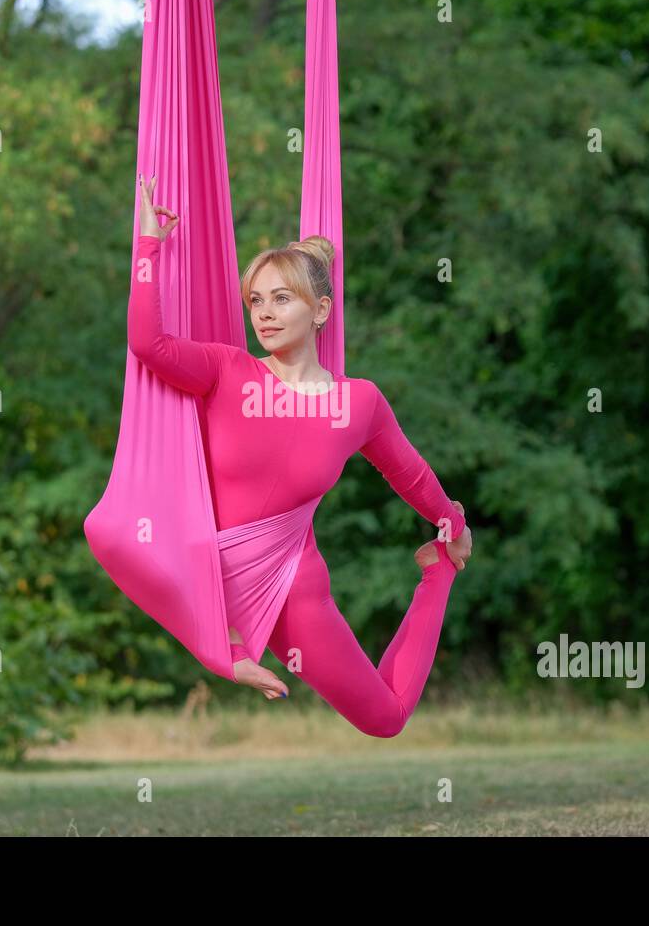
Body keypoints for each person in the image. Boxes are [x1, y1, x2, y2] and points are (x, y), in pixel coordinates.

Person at [126, 171, 474, 738]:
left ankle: (436, 577)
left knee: (384, 718)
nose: (263, 312)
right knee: (114, 534)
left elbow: (409, 474)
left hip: (295, 586)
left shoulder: (357, 403)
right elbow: (148, 344)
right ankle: (228, 645)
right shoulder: (225, 370)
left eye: (281, 299)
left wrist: (452, 527)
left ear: (320, 311)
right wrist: (148, 246)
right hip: (213, 573)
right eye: (256, 300)